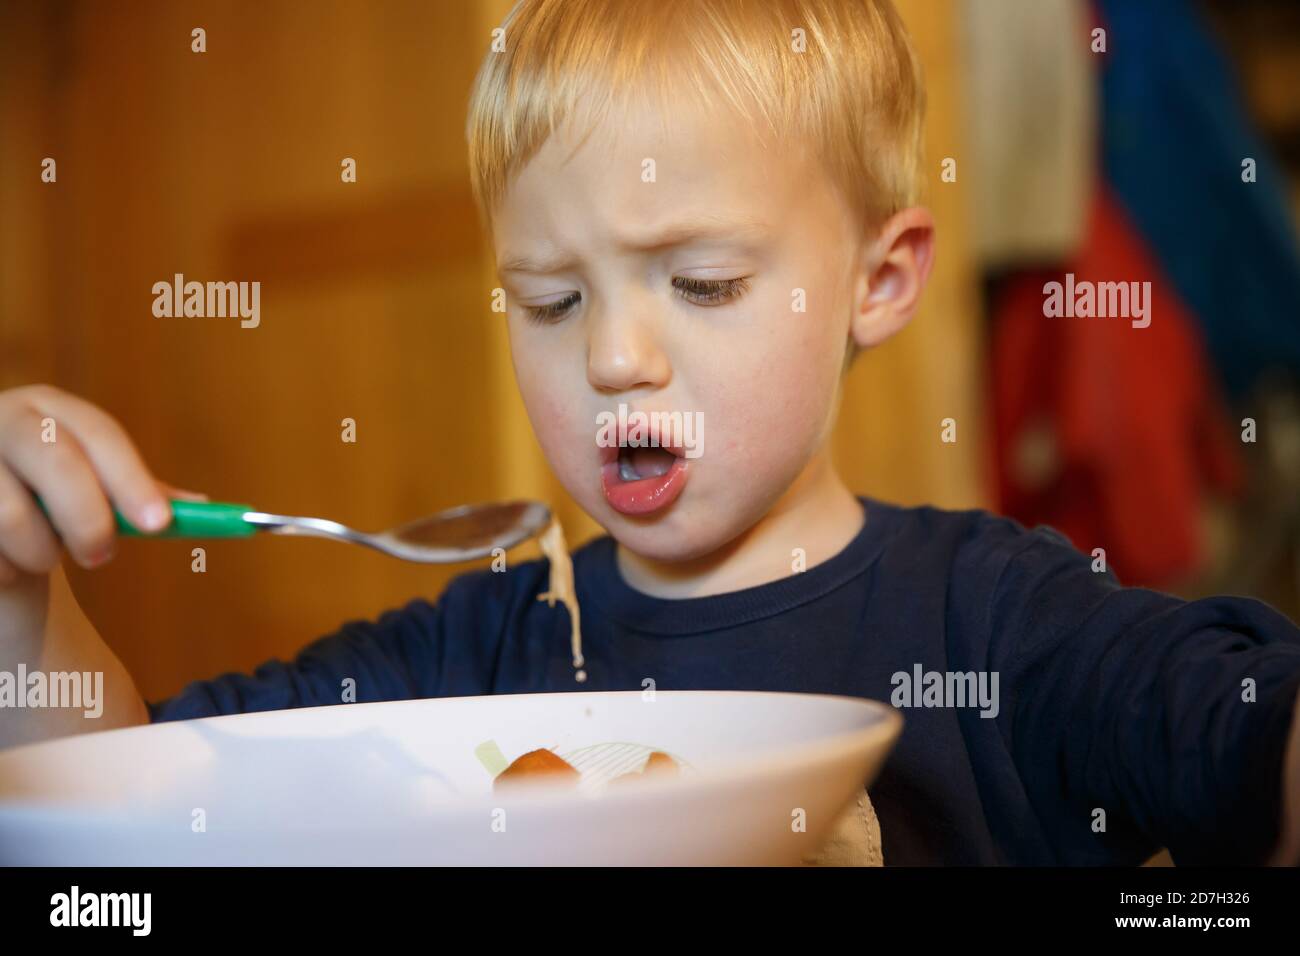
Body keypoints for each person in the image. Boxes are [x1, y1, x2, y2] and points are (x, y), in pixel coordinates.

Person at [2, 0, 1297, 865]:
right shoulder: (474, 653)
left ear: (879, 280)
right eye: (549, 300)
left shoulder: (1003, 626)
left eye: (703, 285)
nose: (613, 357)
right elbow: (116, 809)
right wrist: (18, 599)